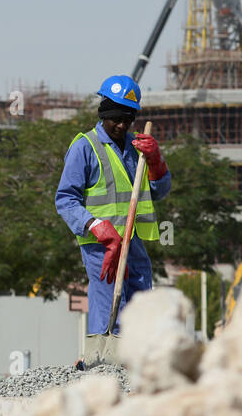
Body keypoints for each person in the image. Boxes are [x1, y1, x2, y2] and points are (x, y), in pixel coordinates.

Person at [55, 74, 172, 336]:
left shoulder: (136, 150)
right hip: (102, 246)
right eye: (115, 118)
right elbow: (65, 199)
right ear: (103, 114)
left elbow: (160, 191)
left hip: (133, 241)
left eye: (127, 119)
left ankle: (134, 366)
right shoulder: (84, 147)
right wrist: (97, 226)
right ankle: (104, 364)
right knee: (110, 309)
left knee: (141, 307)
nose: (121, 125)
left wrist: (156, 162)